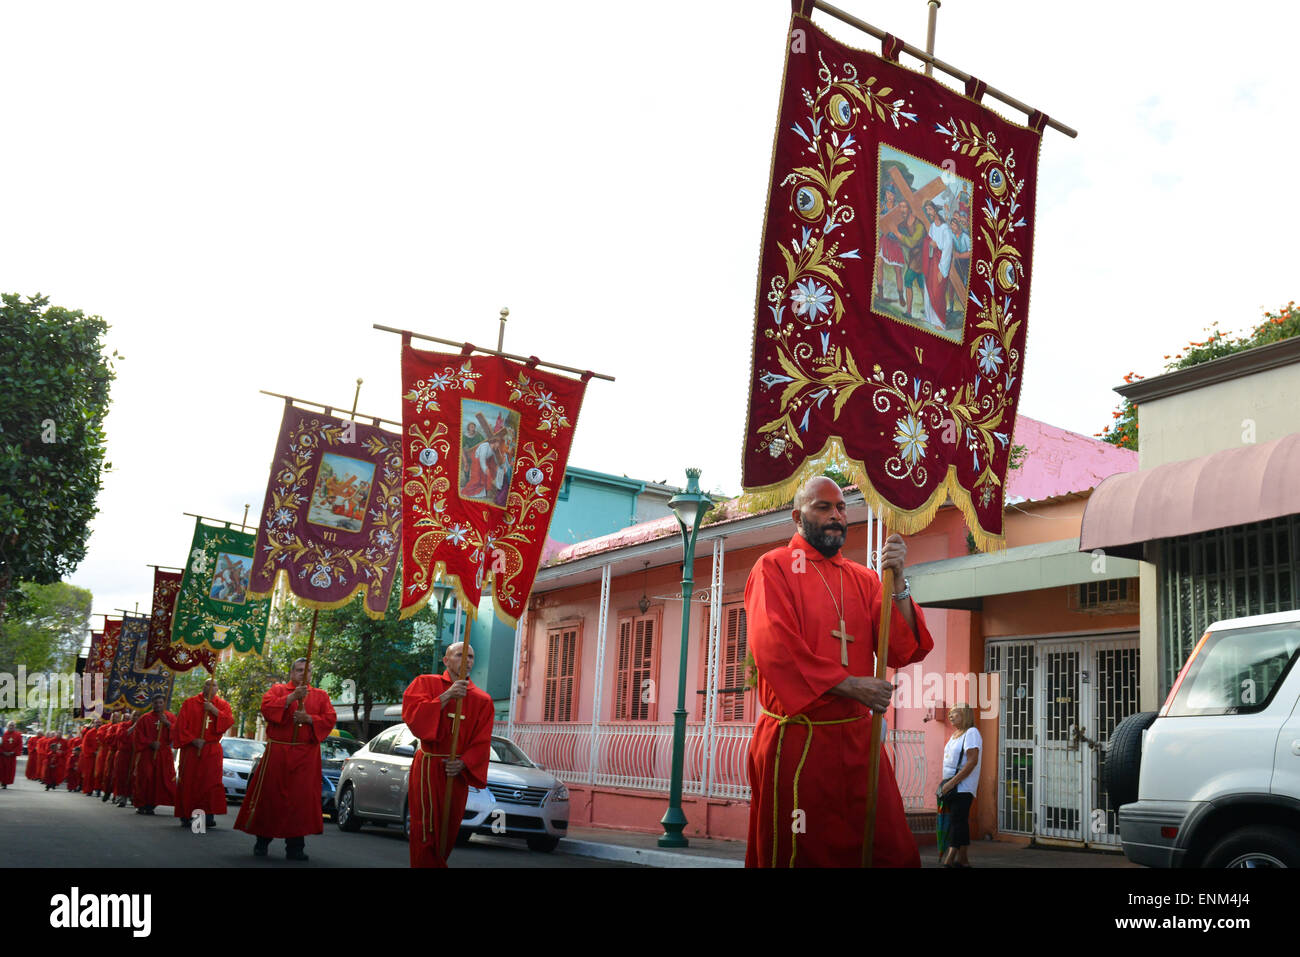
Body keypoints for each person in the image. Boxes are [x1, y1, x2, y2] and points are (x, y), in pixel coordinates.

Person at [744, 476, 934, 867]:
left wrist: (898, 582)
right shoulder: (774, 567)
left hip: (859, 745)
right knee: (806, 852)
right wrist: (851, 687)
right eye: (823, 507)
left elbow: (900, 646)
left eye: (842, 508)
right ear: (798, 516)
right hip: (800, 742)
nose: (836, 516)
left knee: (889, 849)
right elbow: (774, 647)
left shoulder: (865, 579)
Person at [402, 641, 494, 868]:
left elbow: (482, 741)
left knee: (448, 830)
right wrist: (447, 696)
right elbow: (413, 718)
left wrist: (464, 762)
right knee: (425, 828)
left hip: (455, 772)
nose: (466, 661)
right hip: (429, 766)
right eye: (459, 655)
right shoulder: (424, 683)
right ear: (446, 660)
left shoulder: (483, 700)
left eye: (471, 657)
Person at [234, 658, 336, 860]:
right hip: (279, 754)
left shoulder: (321, 695)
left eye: (306, 671)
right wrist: (290, 699)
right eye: (299, 670)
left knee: (300, 802)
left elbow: (330, 718)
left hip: (306, 756)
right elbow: (267, 709)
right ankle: (262, 842)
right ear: (291, 672)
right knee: (271, 798)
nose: (302, 674)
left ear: (311, 675)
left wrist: (309, 719)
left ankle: (295, 846)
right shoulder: (278, 690)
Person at [174, 678, 234, 829]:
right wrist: (193, 740)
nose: (211, 687)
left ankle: (207, 815)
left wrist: (214, 710)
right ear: (203, 686)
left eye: (214, 685)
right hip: (192, 750)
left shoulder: (223, 705)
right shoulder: (190, 703)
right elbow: (181, 726)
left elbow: (228, 722)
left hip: (212, 749)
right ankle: (187, 815)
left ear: (217, 688)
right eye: (208, 684)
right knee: (190, 782)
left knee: (210, 783)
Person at [938, 704, 982, 868]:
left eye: (955, 714)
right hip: (951, 785)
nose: (950, 716)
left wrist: (951, 783)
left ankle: (949, 859)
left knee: (957, 821)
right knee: (960, 821)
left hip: (962, 787)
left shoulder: (971, 733)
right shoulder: (956, 735)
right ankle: (963, 859)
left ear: (965, 715)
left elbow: (972, 762)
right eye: (950, 714)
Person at [132, 695, 177, 815]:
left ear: (164, 704)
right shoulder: (144, 718)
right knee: (146, 778)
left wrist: (167, 723)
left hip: (164, 753)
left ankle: (152, 804)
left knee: (162, 779)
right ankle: (141, 804)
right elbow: (138, 736)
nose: (158, 705)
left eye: (160, 702)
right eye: (156, 702)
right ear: (152, 703)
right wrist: (150, 743)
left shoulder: (170, 717)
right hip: (148, 753)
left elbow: (177, 732)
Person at [0, 721, 20, 788]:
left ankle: (5, 783)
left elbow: (19, 745)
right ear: (7, 726)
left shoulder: (18, 735)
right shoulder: (2, 734)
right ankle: (2, 781)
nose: (11, 727)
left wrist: (13, 752)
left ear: (15, 727)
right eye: (10, 725)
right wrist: (3, 752)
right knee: (1, 769)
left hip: (11, 756)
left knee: (9, 771)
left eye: (12, 725)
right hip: (2, 756)